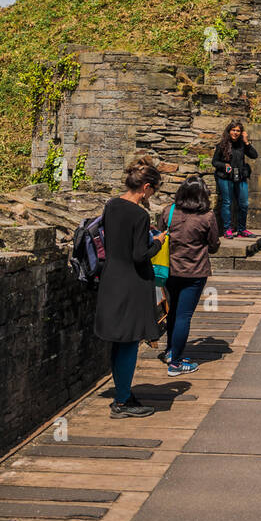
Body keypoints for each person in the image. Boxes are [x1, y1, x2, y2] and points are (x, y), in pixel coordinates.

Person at [95, 157, 168, 418]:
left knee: (118, 342)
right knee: (129, 343)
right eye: (154, 190)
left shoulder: (112, 205)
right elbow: (140, 254)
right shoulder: (139, 214)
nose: (153, 195)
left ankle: (122, 391)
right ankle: (123, 402)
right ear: (147, 187)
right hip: (131, 283)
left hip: (111, 279)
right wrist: (157, 242)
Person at [157, 174, 219, 377]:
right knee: (184, 315)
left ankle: (170, 351)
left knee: (172, 312)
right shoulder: (207, 216)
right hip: (195, 272)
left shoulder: (169, 211)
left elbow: (159, 235)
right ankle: (175, 363)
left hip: (170, 270)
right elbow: (213, 245)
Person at [212, 120, 258, 239]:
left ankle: (242, 229)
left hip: (240, 177)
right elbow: (215, 162)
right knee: (227, 203)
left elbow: (254, 155)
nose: (236, 133)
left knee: (244, 203)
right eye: (233, 130)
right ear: (229, 131)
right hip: (225, 178)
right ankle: (227, 229)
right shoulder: (222, 145)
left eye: (238, 130)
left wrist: (247, 142)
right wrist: (224, 165)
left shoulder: (242, 145)